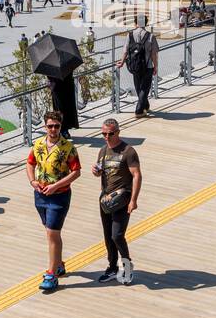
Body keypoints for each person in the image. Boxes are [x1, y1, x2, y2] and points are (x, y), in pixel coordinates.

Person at [25, 110, 81, 294]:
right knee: (51, 233)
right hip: (40, 195)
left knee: (52, 233)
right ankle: (58, 264)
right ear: (45, 126)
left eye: (57, 126)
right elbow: (30, 162)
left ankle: (51, 274)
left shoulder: (68, 148)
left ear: (61, 126)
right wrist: (32, 181)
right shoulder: (39, 143)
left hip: (59, 196)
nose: (54, 129)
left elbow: (76, 171)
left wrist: (56, 186)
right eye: (50, 126)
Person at [92, 118, 141, 285]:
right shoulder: (103, 150)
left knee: (117, 235)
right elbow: (101, 171)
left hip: (122, 199)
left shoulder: (128, 151)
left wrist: (133, 200)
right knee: (108, 236)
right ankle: (112, 267)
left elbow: (136, 175)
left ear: (118, 132)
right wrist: (96, 172)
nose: (106, 137)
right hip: (106, 199)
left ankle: (127, 266)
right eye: (104, 134)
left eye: (110, 134)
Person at [118, 16, 159, 117]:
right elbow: (154, 53)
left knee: (138, 87)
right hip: (147, 65)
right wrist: (155, 66)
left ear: (135, 23)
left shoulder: (130, 35)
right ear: (146, 23)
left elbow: (125, 50)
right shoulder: (150, 36)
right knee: (145, 88)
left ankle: (146, 105)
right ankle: (139, 111)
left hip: (134, 65)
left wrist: (122, 62)